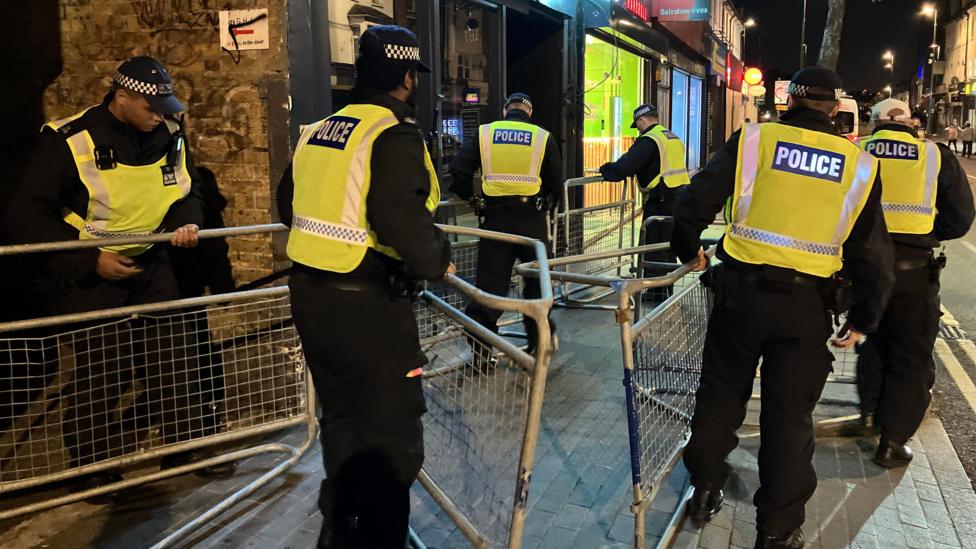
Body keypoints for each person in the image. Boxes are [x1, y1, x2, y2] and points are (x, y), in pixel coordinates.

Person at [671, 67, 894, 549]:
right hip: (806, 309)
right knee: (790, 418)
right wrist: (864, 317)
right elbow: (871, 252)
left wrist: (688, 250)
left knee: (720, 394)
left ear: (790, 99)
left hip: (739, 298)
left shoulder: (755, 140)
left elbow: (695, 200)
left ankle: (705, 488)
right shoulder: (858, 163)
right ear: (835, 108)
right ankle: (777, 529)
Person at [6, 56, 234, 488]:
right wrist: (88, 260)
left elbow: (188, 190)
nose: (159, 115)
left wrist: (189, 222)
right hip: (93, 272)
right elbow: (25, 215)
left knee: (177, 362)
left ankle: (184, 449)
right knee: (101, 371)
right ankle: (92, 467)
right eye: (151, 107)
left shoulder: (168, 131)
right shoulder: (68, 140)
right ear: (121, 97)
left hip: (153, 263)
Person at [276, 25, 452, 548]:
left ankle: (340, 526)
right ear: (405, 77)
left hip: (312, 299)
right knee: (392, 440)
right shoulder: (392, 133)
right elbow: (399, 219)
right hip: (370, 311)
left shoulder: (321, 129)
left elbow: (288, 205)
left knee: (342, 419)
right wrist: (437, 260)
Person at [856, 99, 974, 468]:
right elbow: (960, 219)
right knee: (910, 355)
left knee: (871, 339)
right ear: (910, 122)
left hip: (863, 269)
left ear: (874, 122)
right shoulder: (935, 156)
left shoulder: (854, 151)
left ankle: (872, 415)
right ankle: (892, 441)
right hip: (913, 270)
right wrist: (925, 233)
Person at [449, 92, 562, 355]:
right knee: (538, 288)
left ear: (505, 110)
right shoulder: (542, 137)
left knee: (488, 291)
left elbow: (458, 172)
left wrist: (473, 199)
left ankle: (480, 353)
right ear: (529, 112)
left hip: (496, 220)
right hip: (532, 223)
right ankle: (539, 347)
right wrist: (547, 206)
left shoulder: (486, 133)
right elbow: (556, 183)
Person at [599, 104, 691, 303]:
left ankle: (655, 293)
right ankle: (666, 288)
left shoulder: (649, 140)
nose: (638, 129)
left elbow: (626, 165)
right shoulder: (671, 136)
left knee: (653, 246)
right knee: (668, 246)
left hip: (661, 199)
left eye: (637, 125)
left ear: (642, 120)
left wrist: (606, 170)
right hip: (678, 197)